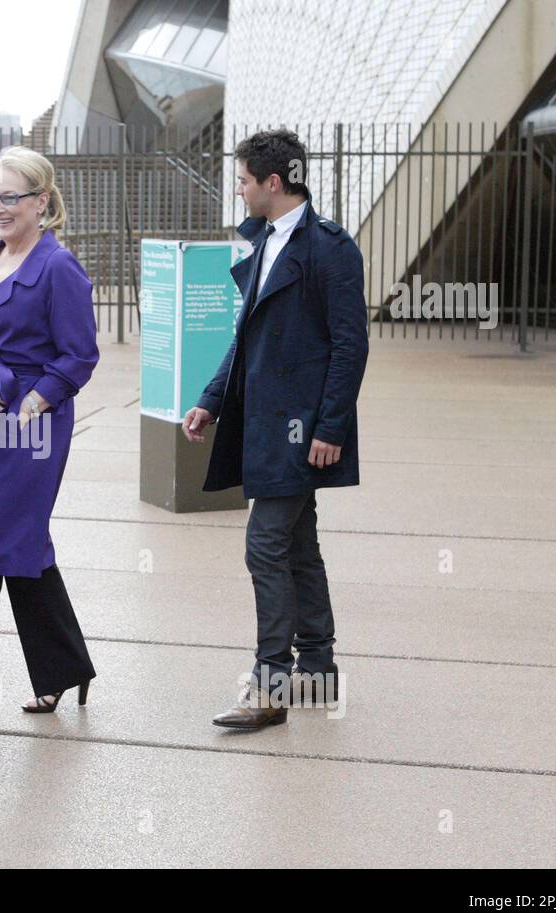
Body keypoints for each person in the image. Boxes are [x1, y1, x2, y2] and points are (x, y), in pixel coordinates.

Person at [182, 129, 369, 730]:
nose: (237, 191)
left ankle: (269, 686)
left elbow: (350, 345)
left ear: (273, 182)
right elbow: (245, 336)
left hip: (302, 424)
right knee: (296, 546)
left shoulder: (329, 248)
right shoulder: (262, 240)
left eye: (242, 180)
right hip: (264, 419)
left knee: (264, 545)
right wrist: (211, 400)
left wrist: (330, 426)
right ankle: (316, 671)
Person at [0, 146, 99, 743]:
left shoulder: (59, 268)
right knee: (19, 544)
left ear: (41, 202)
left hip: (33, 427)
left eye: (11, 197)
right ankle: (65, 668)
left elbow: (80, 355)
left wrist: (33, 404)